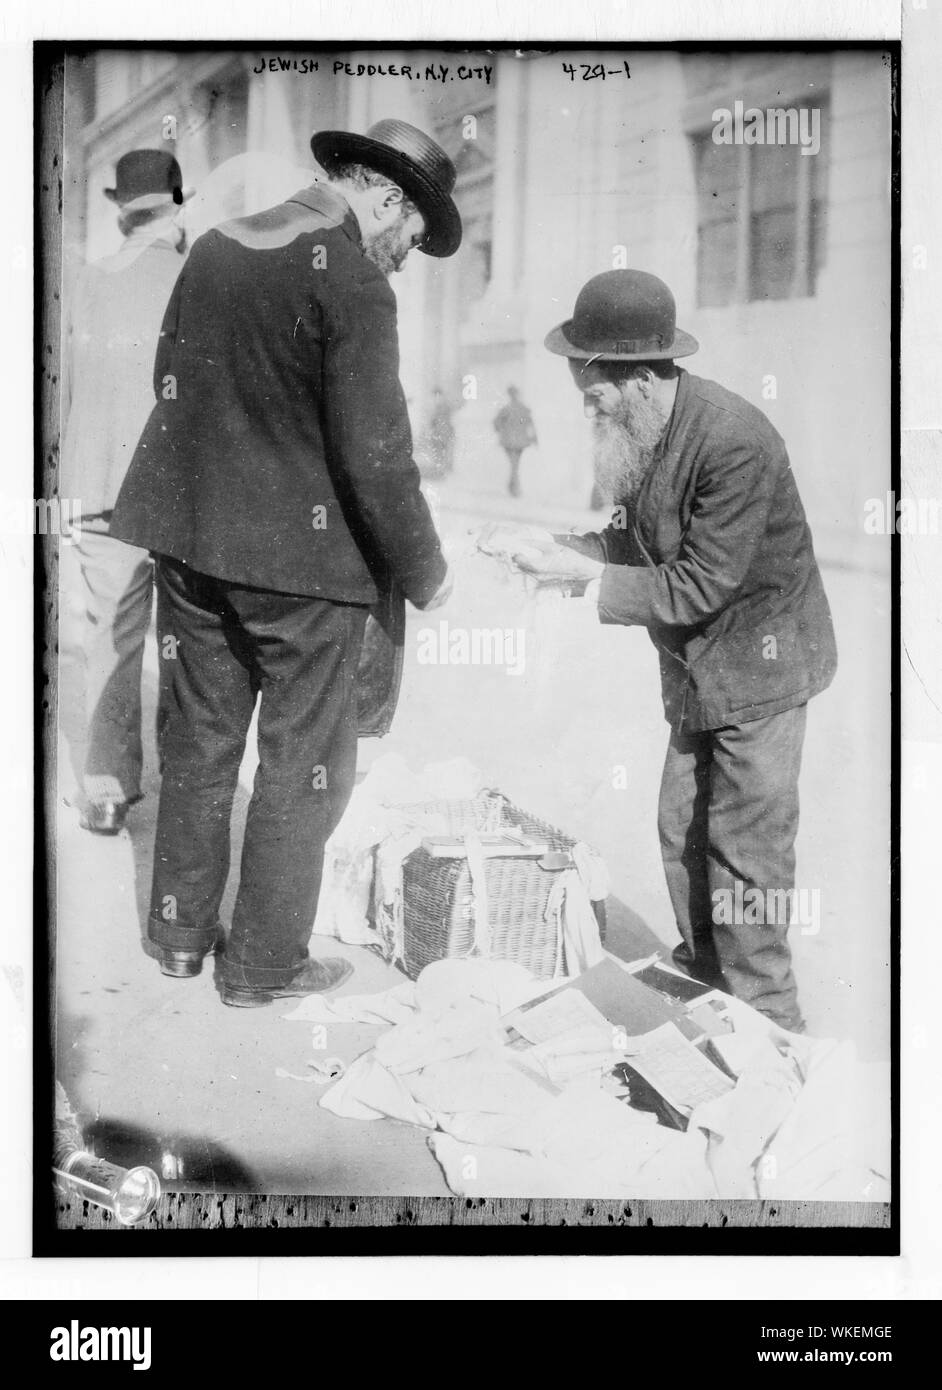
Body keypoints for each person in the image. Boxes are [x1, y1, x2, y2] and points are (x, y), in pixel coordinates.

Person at [110, 119, 461, 1007]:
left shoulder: (219, 245)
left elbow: (171, 381)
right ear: (385, 196)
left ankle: (180, 936)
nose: (406, 256)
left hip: (191, 546)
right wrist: (429, 572)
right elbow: (377, 458)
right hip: (298, 576)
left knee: (198, 740)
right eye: (411, 235)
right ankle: (263, 965)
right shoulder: (352, 283)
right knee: (306, 764)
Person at [496, 269, 837, 1031]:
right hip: (696, 669)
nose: (587, 403)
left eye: (597, 390)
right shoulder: (643, 430)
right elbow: (628, 538)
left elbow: (700, 584)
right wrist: (552, 551)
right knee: (680, 826)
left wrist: (590, 578)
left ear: (645, 377)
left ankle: (770, 1027)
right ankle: (711, 980)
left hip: (760, 669)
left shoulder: (734, 440)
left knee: (745, 851)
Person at [60, 149, 191, 834]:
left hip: (101, 492)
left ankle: (107, 790)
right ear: (177, 204)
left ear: (120, 209)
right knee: (191, 643)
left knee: (112, 638)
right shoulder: (195, 275)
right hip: (182, 491)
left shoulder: (84, 281)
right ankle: (190, 795)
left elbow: (60, 390)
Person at [492, 385, 537, 497]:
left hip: (509, 442)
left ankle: (513, 488)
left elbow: (496, 424)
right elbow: (530, 426)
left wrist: (501, 429)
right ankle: (514, 488)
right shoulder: (523, 408)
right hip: (520, 442)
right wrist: (534, 439)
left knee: (514, 465)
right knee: (515, 465)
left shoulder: (505, 409)